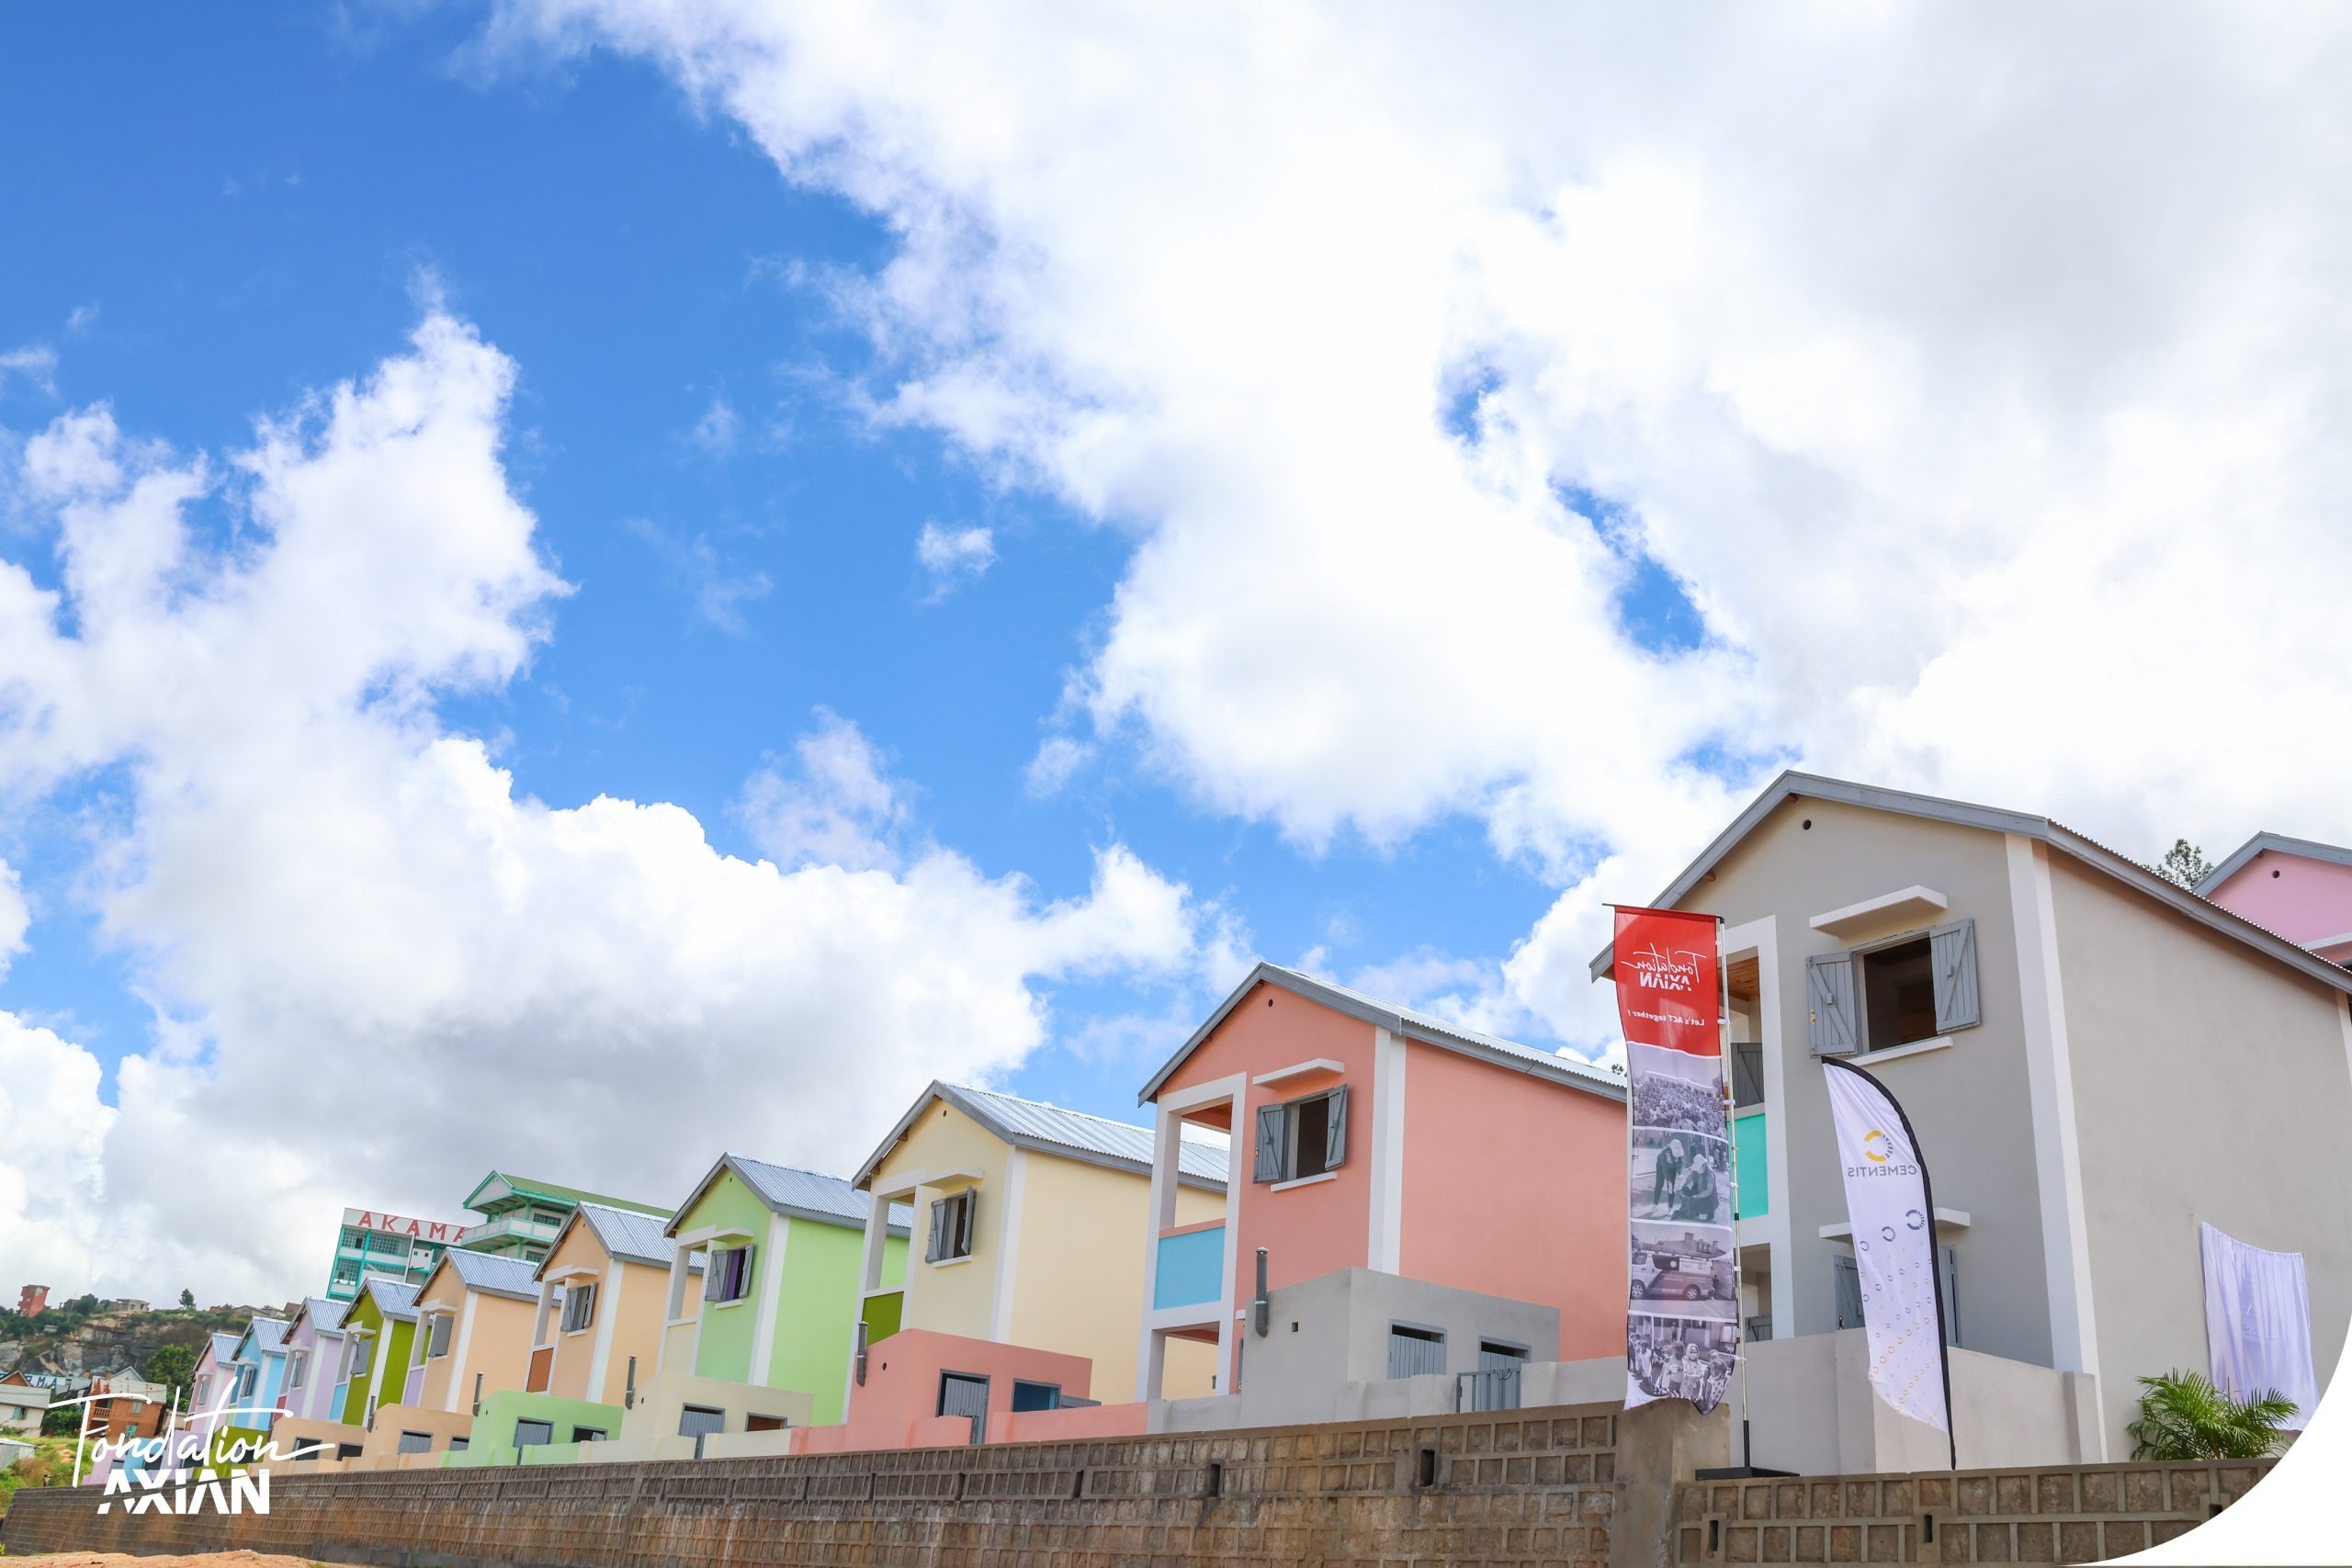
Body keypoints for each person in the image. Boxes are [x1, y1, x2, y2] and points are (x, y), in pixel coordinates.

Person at [1650, 1137, 1685, 1213]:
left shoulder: (1680, 1151)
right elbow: (1665, 1169)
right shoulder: (1664, 1153)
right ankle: (1655, 1204)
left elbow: (1681, 1163)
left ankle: (1670, 1208)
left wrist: (1680, 1173)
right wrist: (1668, 1181)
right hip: (1661, 1166)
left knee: (1671, 1187)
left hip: (1672, 1168)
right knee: (1659, 1184)